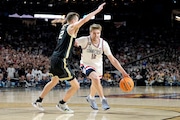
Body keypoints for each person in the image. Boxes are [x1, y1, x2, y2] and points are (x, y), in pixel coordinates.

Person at [32, 3, 106, 114]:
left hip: (55, 58)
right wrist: (97, 10)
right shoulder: (71, 27)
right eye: (77, 20)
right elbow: (85, 20)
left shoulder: (64, 27)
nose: (78, 21)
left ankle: (38, 101)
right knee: (76, 85)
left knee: (54, 81)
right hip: (62, 59)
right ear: (73, 20)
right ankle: (62, 103)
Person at [75, 23, 129, 110]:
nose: (96, 35)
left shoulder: (104, 44)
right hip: (86, 64)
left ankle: (91, 97)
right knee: (96, 79)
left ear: (100, 33)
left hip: (98, 67)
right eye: (94, 33)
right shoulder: (85, 40)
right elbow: (72, 42)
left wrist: (123, 72)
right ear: (90, 33)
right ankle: (103, 99)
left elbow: (112, 59)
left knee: (95, 82)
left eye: (98, 33)